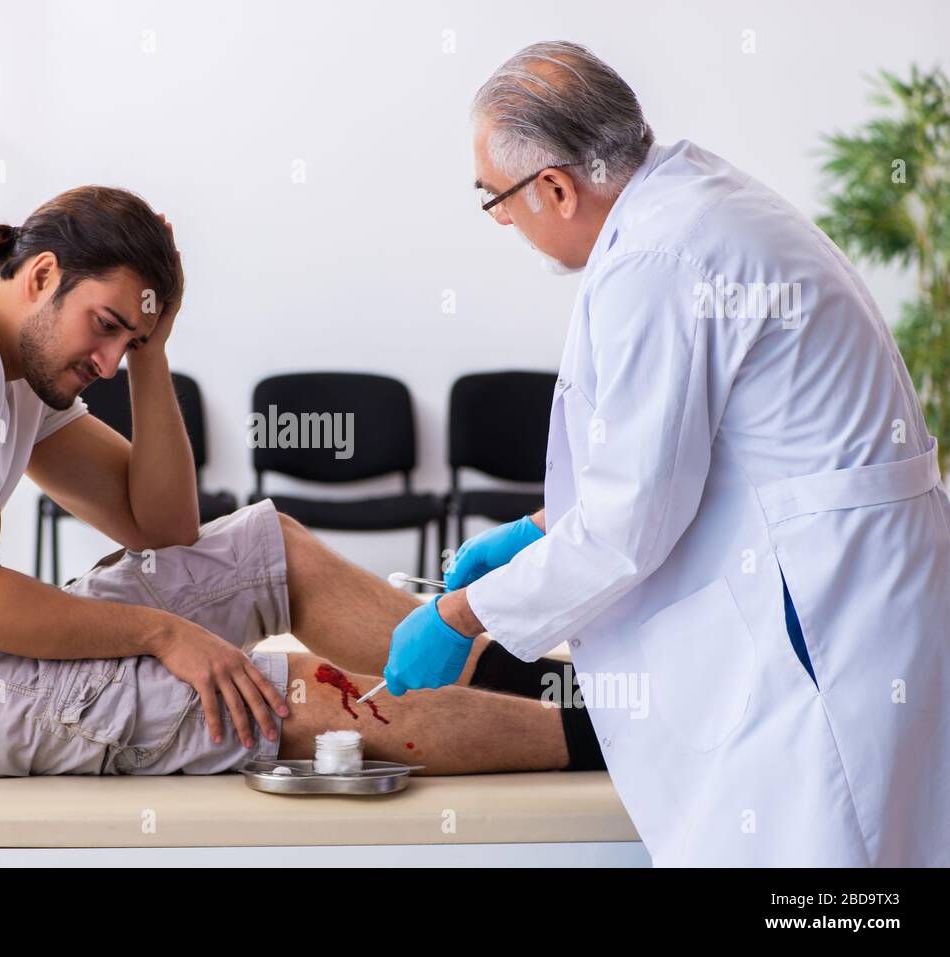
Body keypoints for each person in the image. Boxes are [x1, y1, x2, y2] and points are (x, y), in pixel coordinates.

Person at [0, 185, 590, 779]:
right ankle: (610, 738)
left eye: (128, 343)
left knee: (267, 547)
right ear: (40, 276)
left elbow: (162, 524)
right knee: (278, 695)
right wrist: (162, 634)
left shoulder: (19, 364)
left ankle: (542, 681)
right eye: (105, 327)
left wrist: (153, 352)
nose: (108, 360)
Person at [385, 41, 950, 866]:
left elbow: (628, 523)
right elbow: (680, 462)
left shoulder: (658, 260)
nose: (501, 220)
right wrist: (535, 532)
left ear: (554, 187)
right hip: (848, 576)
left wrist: (462, 617)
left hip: (829, 605)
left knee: (828, 858)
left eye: (494, 200)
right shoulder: (688, 206)